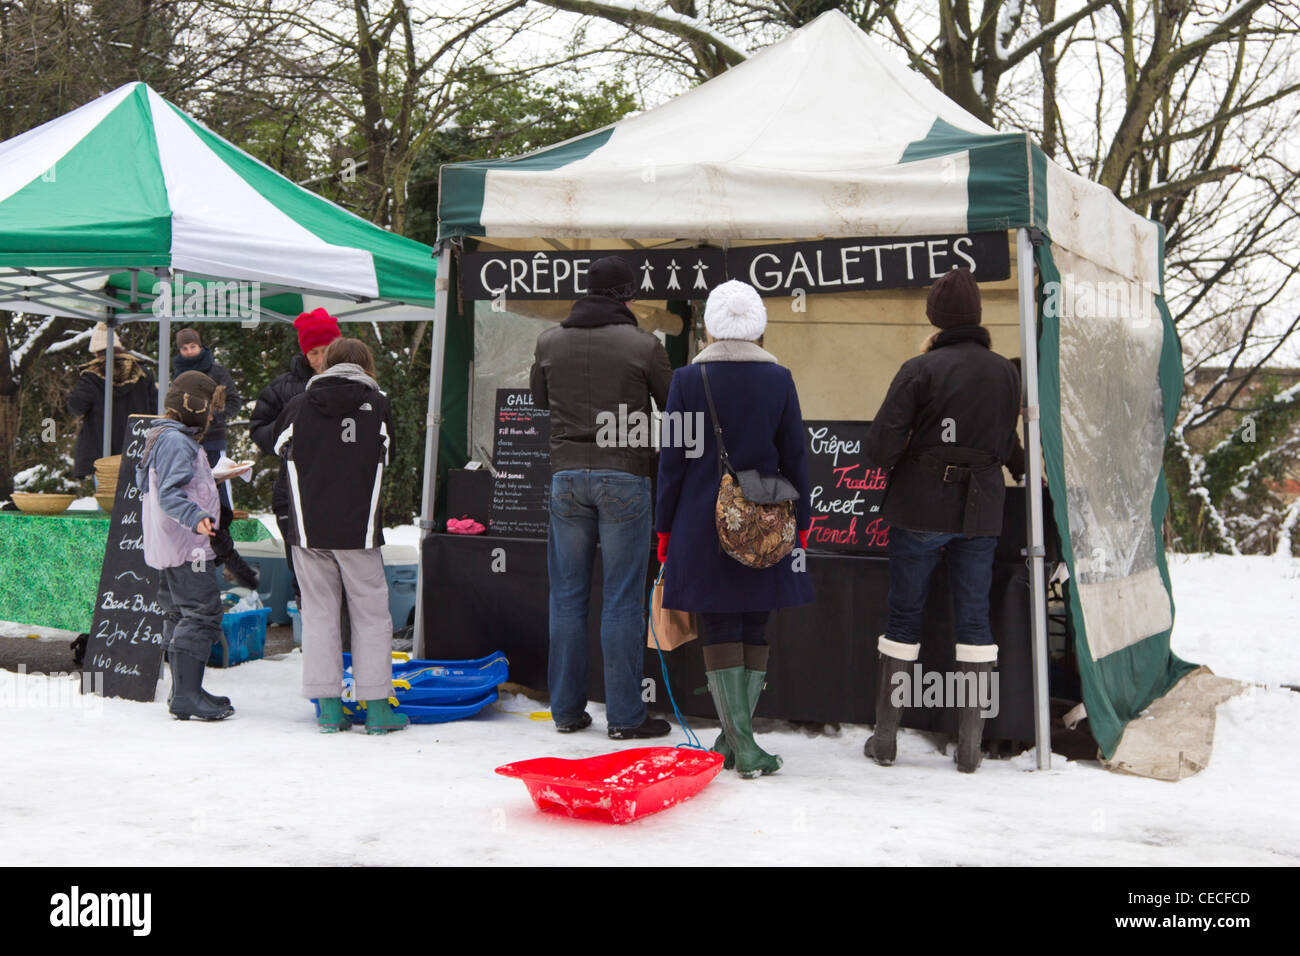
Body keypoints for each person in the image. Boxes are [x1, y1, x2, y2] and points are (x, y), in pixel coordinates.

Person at [863, 267, 1020, 773]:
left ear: (934, 318)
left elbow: (879, 447)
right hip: (982, 509)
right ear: (976, 317)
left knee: (904, 618)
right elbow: (1008, 444)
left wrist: (901, 455)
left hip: (921, 506)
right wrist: (1022, 471)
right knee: (974, 620)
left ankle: (885, 740)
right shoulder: (1006, 371)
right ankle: (970, 748)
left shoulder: (919, 368)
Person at [655, 280, 814, 778]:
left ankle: (736, 743)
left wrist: (664, 529)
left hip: (701, 523)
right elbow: (796, 458)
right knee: (754, 625)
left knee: (720, 624)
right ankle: (739, 742)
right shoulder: (780, 380)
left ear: (708, 327)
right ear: (760, 327)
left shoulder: (685, 381)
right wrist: (802, 525)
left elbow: (672, 463)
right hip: (767, 523)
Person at [530, 255, 674, 739]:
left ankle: (567, 712)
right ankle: (626, 717)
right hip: (625, 476)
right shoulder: (644, 345)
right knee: (621, 600)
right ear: (625, 296)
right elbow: (672, 404)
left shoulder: (549, 341)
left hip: (567, 477)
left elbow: (538, 400)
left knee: (566, 600)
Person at [272, 337, 402, 735]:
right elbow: (388, 453)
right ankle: (378, 709)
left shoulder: (297, 405)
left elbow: (279, 447)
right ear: (367, 365)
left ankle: (329, 708)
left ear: (325, 364)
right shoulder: (378, 405)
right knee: (372, 617)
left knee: (319, 616)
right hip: (359, 530)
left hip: (309, 531)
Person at [135, 370, 234, 721]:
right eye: (209, 410)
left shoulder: (164, 437)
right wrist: (196, 517)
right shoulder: (177, 441)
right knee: (203, 612)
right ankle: (187, 694)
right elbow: (171, 494)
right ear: (193, 404)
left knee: (178, 613)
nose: (211, 417)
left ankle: (183, 690)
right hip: (187, 545)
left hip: (171, 544)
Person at [249, 309, 341, 598]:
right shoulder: (283, 387)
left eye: (326, 350)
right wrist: (288, 435)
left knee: (339, 573)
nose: (320, 359)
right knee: (303, 574)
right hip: (292, 491)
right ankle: (307, 631)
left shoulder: (356, 385)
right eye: (313, 352)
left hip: (340, 492)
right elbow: (258, 429)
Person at [173, 328, 258, 590]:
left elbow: (234, 402)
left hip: (214, 440)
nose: (189, 352)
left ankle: (222, 541)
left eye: (193, 347)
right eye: (184, 348)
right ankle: (196, 542)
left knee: (218, 491)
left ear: (201, 346)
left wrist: (213, 417)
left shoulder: (217, 370)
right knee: (191, 491)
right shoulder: (176, 373)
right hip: (186, 440)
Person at [68, 323, 158, 480]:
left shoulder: (91, 376)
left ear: (96, 352)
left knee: (106, 499)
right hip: (137, 447)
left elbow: (76, 407)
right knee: (135, 501)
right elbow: (156, 411)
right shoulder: (143, 374)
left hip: (102, 451)